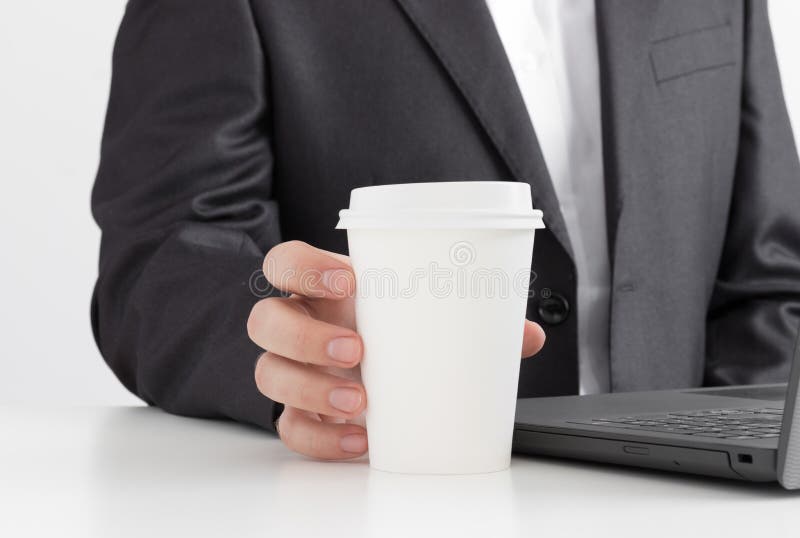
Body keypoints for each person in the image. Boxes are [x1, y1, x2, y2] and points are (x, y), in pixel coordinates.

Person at [92, 0, 800, 461]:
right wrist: (289, 340)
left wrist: (744, 470)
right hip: (385, 498)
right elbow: (159, 258)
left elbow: (768, 272)